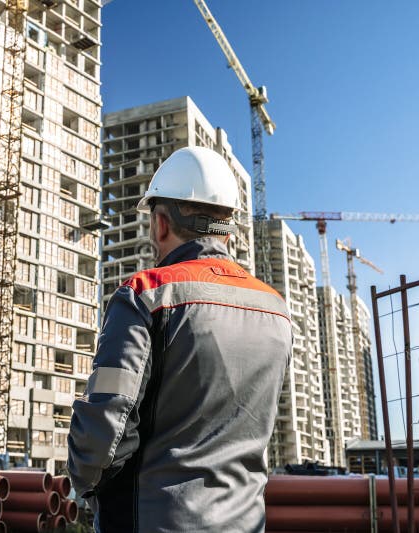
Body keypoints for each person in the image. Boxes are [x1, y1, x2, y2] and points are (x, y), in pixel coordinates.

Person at [67, 146, 292, 532]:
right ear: (228, 225)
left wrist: (85, 484)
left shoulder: (146, 294)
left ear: (161, 224)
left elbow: (106, 426)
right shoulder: (276, 310)